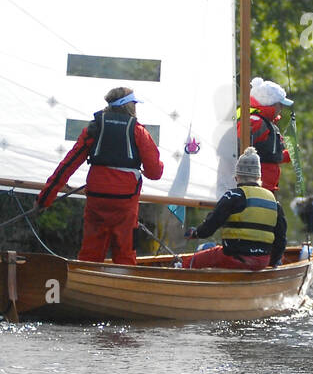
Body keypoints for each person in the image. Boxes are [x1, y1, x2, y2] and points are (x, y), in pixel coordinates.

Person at [36, 86, 163, 266]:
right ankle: (124, 287)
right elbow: (155, 173)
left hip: (97, 199)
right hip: (125, 204)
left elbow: (67, 166)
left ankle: (85, 284)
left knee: (90, 251)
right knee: (126, 252)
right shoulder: (139, 132)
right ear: (130, 106)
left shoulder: (93, 129)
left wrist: (44, 199)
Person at [180, 147, 286, 269]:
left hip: (235, 259)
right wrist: (272, 263)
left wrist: (196, 233)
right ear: (259, 178)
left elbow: (210, 226)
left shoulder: (233, 196)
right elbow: (281, 240)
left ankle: (178, 269)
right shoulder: (274, 202)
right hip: (262, 262)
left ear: (237, 177)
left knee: (192, 262)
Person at [237, 76, 293, 192]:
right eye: (280, 104)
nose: (282, 108)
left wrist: (289, 155)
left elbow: (268, 154)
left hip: (266, 188)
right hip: (255, 188)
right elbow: (239, 149)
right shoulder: (256, 122)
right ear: (270, 104)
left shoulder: (266, 124)